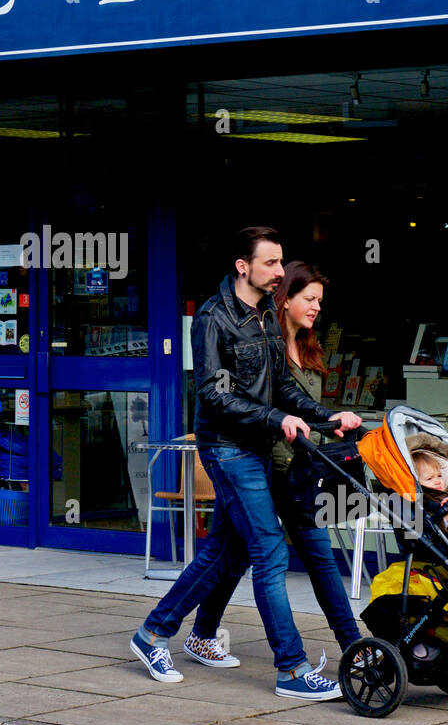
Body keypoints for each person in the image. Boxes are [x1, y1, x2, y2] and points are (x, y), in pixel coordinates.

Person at [129, 228, 358, 700]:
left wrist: (323, 416)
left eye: (280, 264)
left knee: (222, 553)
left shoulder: (264, 318)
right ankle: (291, 670)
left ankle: (153, 634)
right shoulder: (214, 318)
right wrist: (278, 418)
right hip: (227, 449)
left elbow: (282, 388)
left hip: (255, 444)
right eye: (271, 264)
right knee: (269, 553)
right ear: (243, 266)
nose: (279, 272)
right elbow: (214, 393)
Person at [183, 262, 365, 666]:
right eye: (310, 298)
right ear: (286, 300)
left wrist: (328, 418)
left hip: (297, 471)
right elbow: (233, 397)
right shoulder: (264, 343)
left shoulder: (306, 345)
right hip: (265, 466)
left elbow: (301, 405)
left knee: (241, 555)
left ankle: (353, 646)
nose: (318, 307)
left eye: (320, 300)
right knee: (238, 556)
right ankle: (188, 633)